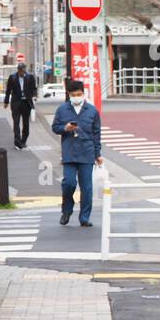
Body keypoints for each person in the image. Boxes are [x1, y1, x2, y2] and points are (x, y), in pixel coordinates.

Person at [50, 79, 102, 227]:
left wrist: (98, 154)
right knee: (68, 183)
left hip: (87, 152)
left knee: (87, 187)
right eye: (74, 94)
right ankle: (67, 210)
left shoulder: (92, 111)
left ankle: (84, 217)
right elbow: (55, 127)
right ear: (69, 95)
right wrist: (65, 128)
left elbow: (96, 134)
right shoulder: (62, 109)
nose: (77, 97)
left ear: (83, 94)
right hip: (69, 152)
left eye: (79, 94)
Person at [3, 60, 37, 149]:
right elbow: (8, 91)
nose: (22, 72)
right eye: (21, 71)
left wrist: (34, 95)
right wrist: (6, 101)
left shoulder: (30, 77)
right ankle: (17, 142)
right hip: (16, 103)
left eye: (23, 71)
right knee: (16, 123)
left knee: (26, 123)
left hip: (26, 103)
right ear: (18, 70)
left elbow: (34, 88)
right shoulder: (12, 77)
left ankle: (23, 141)